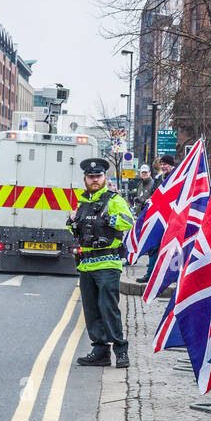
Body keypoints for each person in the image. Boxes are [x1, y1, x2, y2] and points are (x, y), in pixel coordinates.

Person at [69, 157, 134, 368]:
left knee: (108, 309)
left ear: (105, 177)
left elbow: (129, 221)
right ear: (85, 179)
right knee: (91, 310)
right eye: (91, 177)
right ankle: (100, 351)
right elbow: (78, 231)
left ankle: (121, 350)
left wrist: (108, 219)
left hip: (107, 264)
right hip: (86, 265)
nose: (94, 179)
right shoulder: (83, 203)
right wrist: (71, 222)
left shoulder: (113, 200)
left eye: (98, 176)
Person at [136, 152, 176, 285]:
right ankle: (151, 274)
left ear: (171, 165)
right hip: (158, 217)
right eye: (162, 164)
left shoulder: (178, 177)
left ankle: (172, 276)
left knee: (172, 248)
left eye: (166, 164)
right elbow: (154, 194)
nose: (164, 166)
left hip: (173, 219)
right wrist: (150, 200)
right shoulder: (159, 179)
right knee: (154, 246)